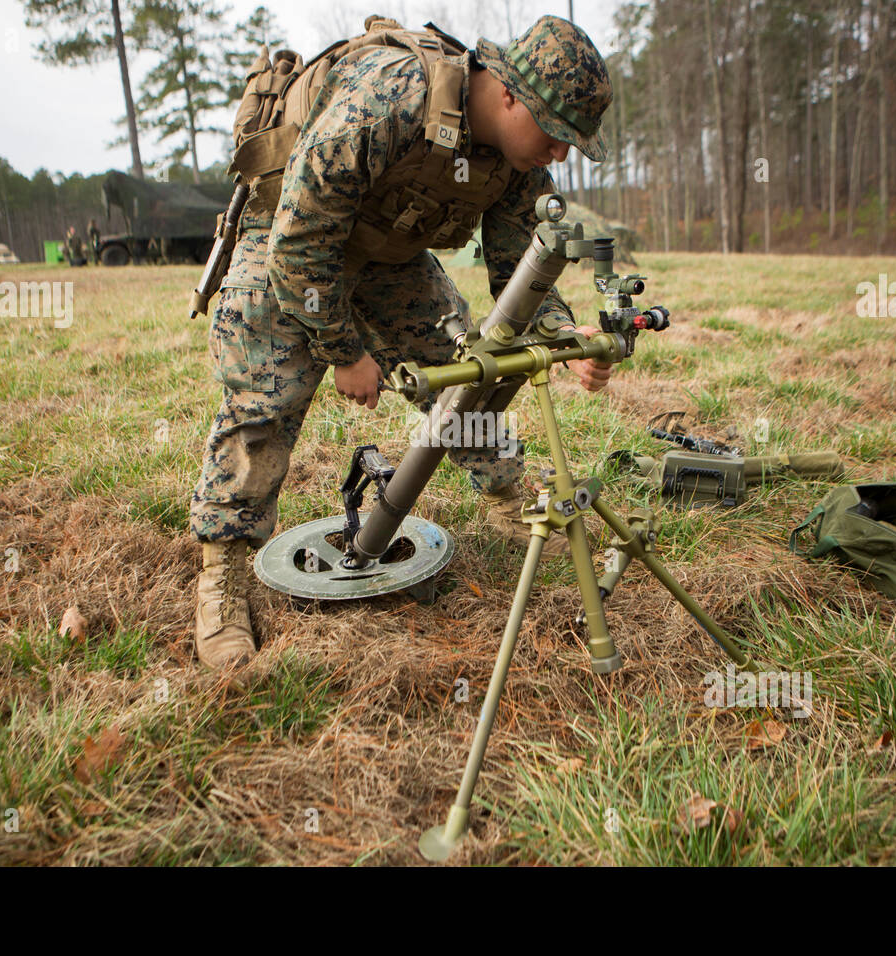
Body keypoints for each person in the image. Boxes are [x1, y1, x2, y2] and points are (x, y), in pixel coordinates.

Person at [189, 15, 615, 673]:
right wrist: (345, 353)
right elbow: (300, 241)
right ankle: (224, 572)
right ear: (508, 94)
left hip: (390, 255)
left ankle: (507, 497)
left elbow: (522, 271)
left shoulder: (518, 162)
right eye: (556, 135)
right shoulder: (392, 93)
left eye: (571, 144)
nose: (559, 154)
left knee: (469, 367)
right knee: (263, 408)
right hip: (286, 244)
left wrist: (566, 335)